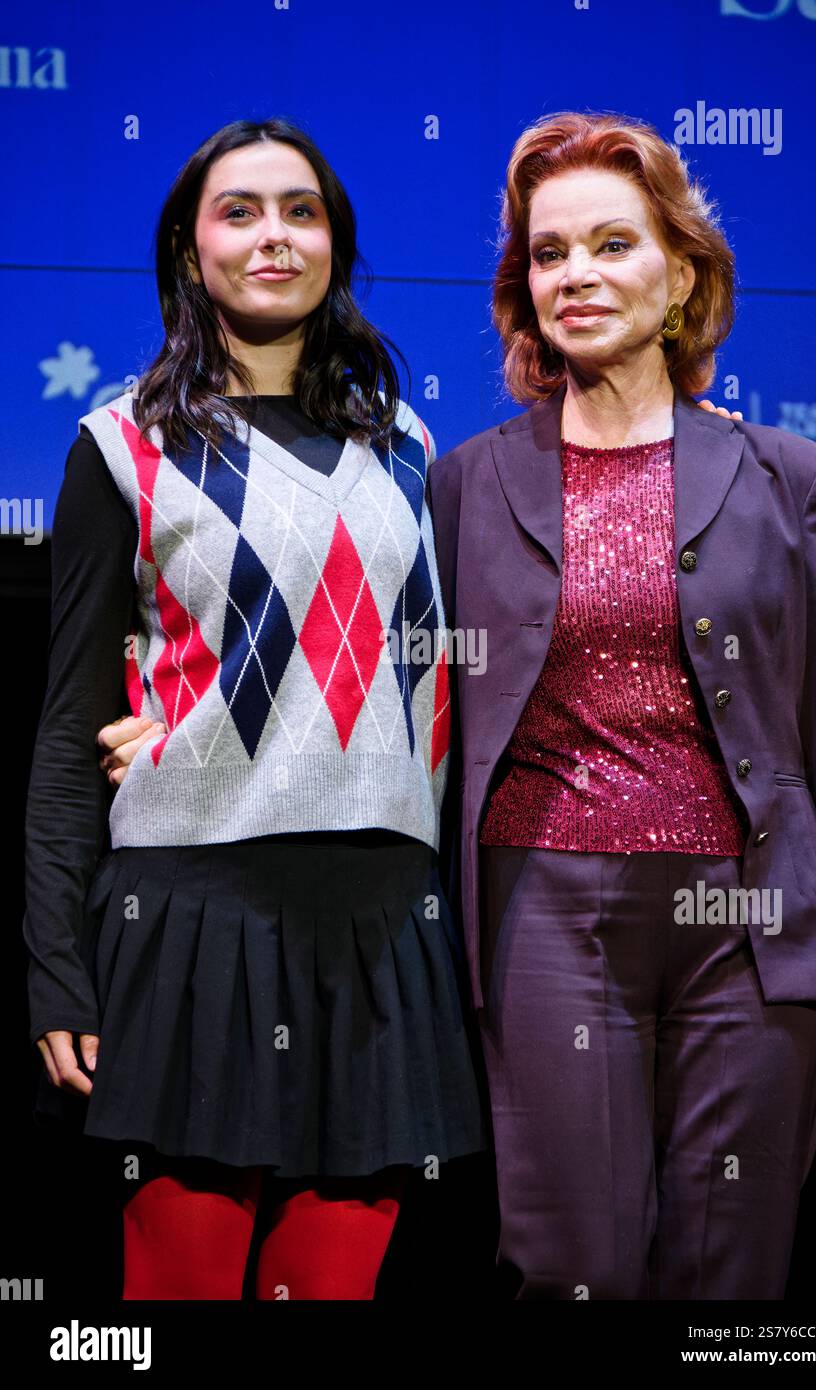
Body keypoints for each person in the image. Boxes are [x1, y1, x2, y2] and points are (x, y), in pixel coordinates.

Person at [22, 117, 489, 1301]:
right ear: (189, 249)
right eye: (239, 211)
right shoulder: (122, 444)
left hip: (384, 923)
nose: (273, 235)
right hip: (193, 915)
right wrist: (54, 970)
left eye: (301, 210)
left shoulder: (407, 444)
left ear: (335, 242)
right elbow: (71, 734)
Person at [423, 111, 816, 1300]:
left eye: (609, 244)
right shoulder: (466, 481)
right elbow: (395, 683)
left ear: (679, 271)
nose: (574, 274)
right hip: (544, 919)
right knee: (578, 1269)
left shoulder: (789, 476)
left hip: (748, 925)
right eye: (547, 251)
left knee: (731, 1275)